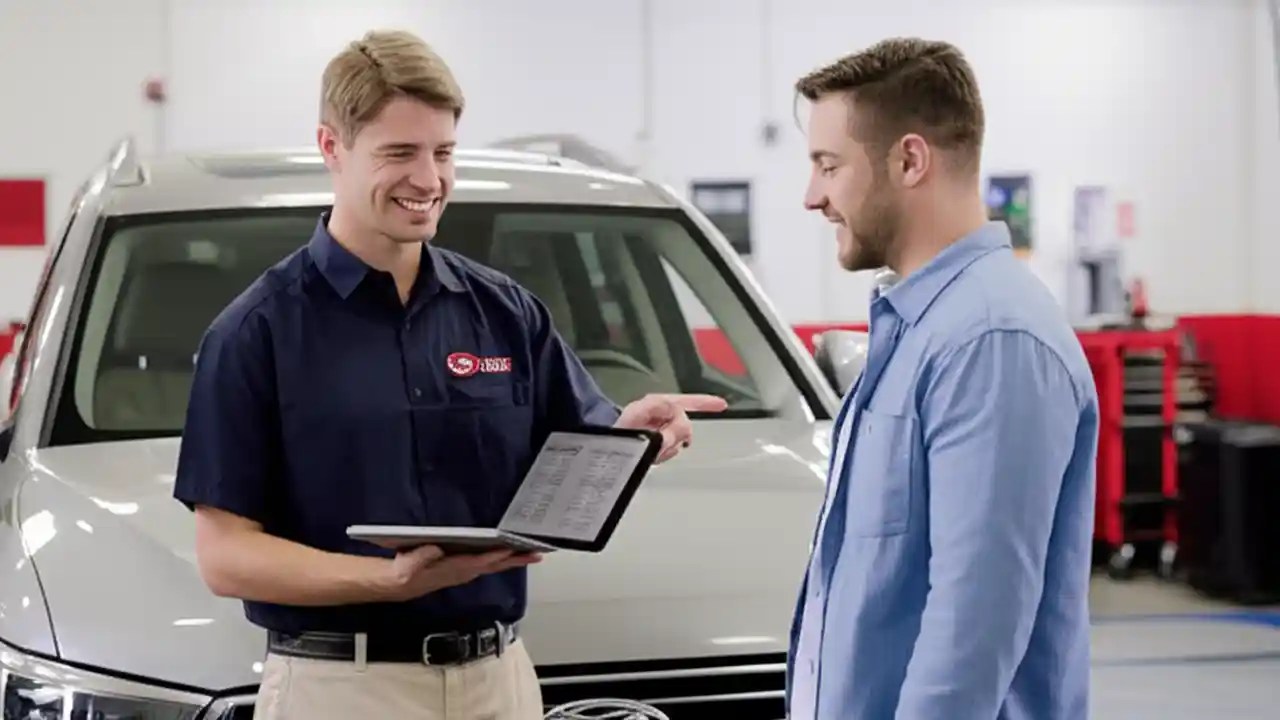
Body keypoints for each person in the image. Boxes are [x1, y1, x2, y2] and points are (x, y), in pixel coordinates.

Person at [173, 29, 726, 720]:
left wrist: (636, 433)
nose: (429, 180)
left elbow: (578, 453)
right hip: (344, 690)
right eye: (399, 153)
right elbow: (226, 557)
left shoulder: (504, 311)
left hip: (500, 679)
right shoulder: (255, 334)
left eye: (443, 152)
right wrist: (387, 583)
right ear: (331, 148)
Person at [786, 38, 1099, 719]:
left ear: (909, 159)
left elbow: (974, 627)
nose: (813, 196)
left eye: (828, 165)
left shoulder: (993, 341)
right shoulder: (918, 328)